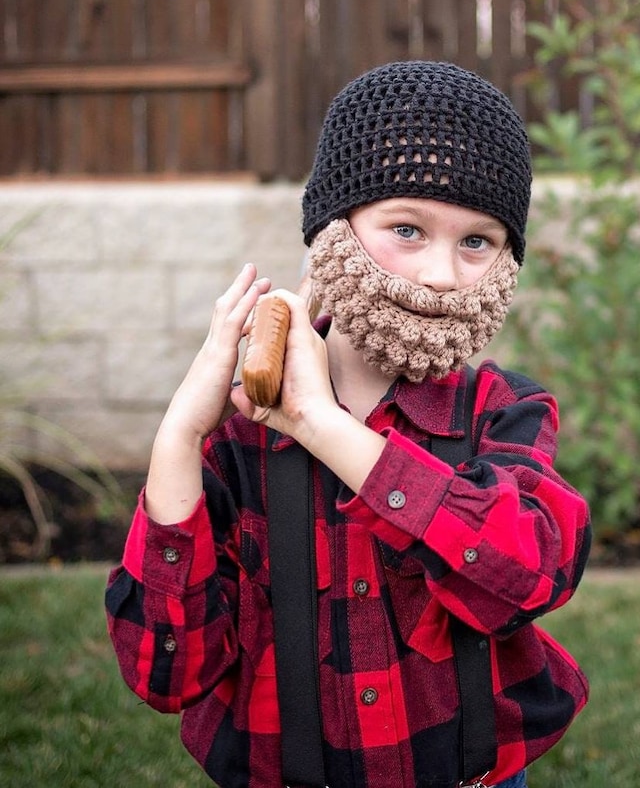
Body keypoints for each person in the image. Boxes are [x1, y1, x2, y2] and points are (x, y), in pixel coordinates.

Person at [106, 60, 591, 788]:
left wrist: (319, 425)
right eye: (407, 228)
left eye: (477, 241)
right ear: (333, 231)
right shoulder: (238, 440)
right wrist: (177, 438)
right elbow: (167, 675)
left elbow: (527, 576)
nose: (440, 275)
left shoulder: (501, 412)